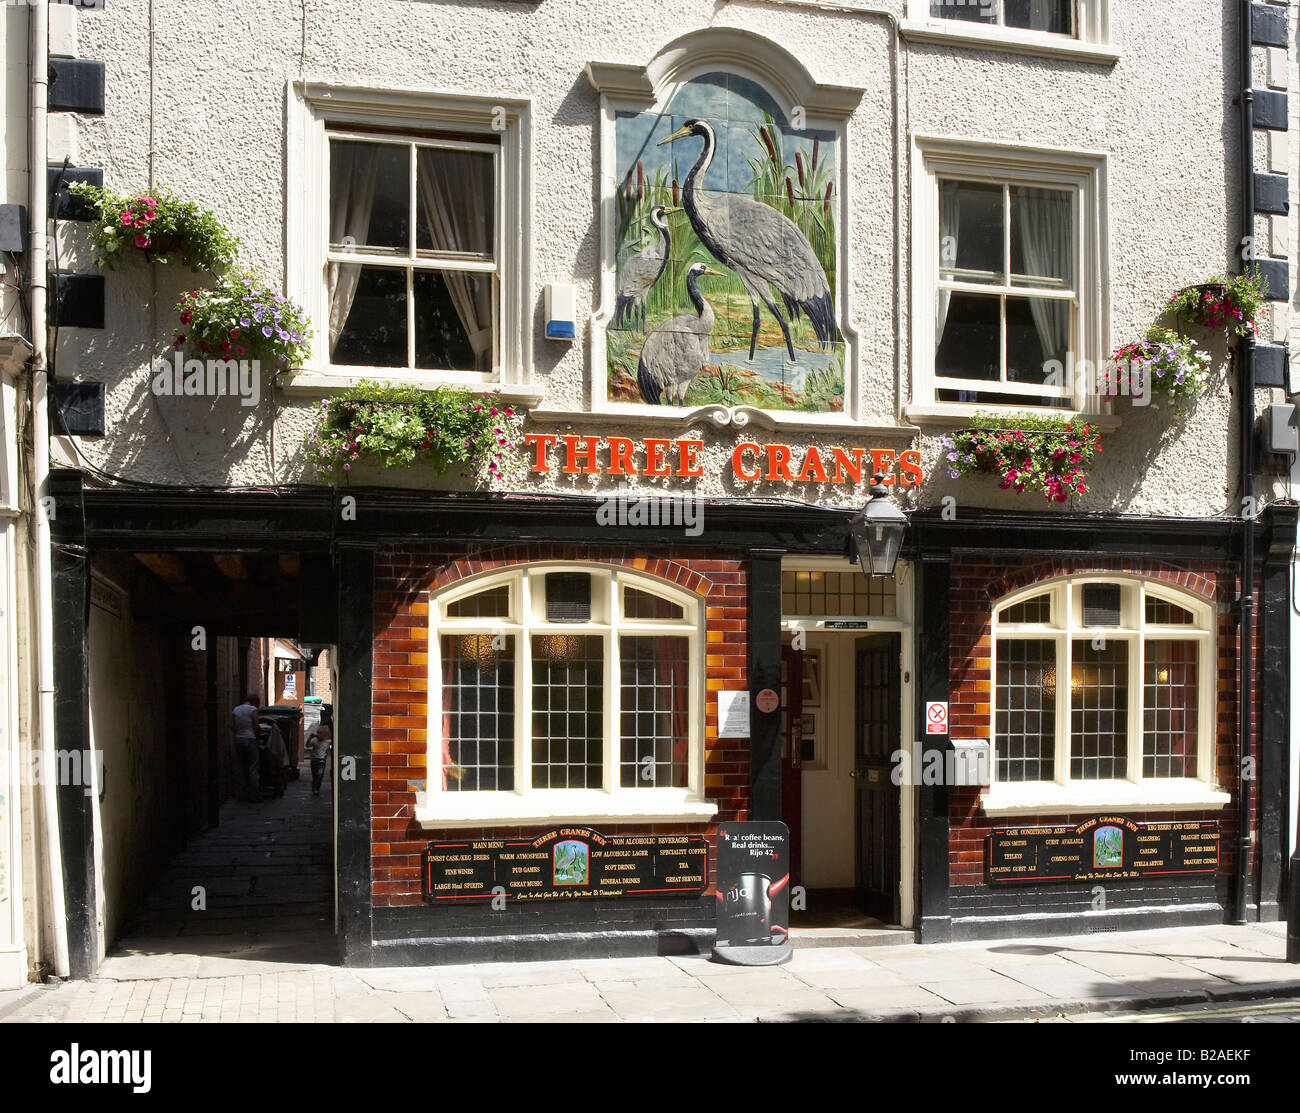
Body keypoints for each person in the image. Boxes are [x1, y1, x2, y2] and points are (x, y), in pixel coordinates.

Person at [230, 694, 261, 803]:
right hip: (250, 739)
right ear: (255, 702)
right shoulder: (253, 709)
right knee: (253, 767)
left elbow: (232, 726)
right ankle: (254, 795)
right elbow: (256, 726)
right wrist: (258, 737)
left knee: (240, 767)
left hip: (238, 740)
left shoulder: (235, 710)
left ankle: (240, 794)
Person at [307, 711, 332, 796]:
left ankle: (316, 788)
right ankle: (314, 787)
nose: (319, 735)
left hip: (321, 760)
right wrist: (310, 738)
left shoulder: (327, 742)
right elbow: (307, 745)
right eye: (318, 733)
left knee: (320, 774)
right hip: (314, 760)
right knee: (315, 775)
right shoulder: (315, 740)